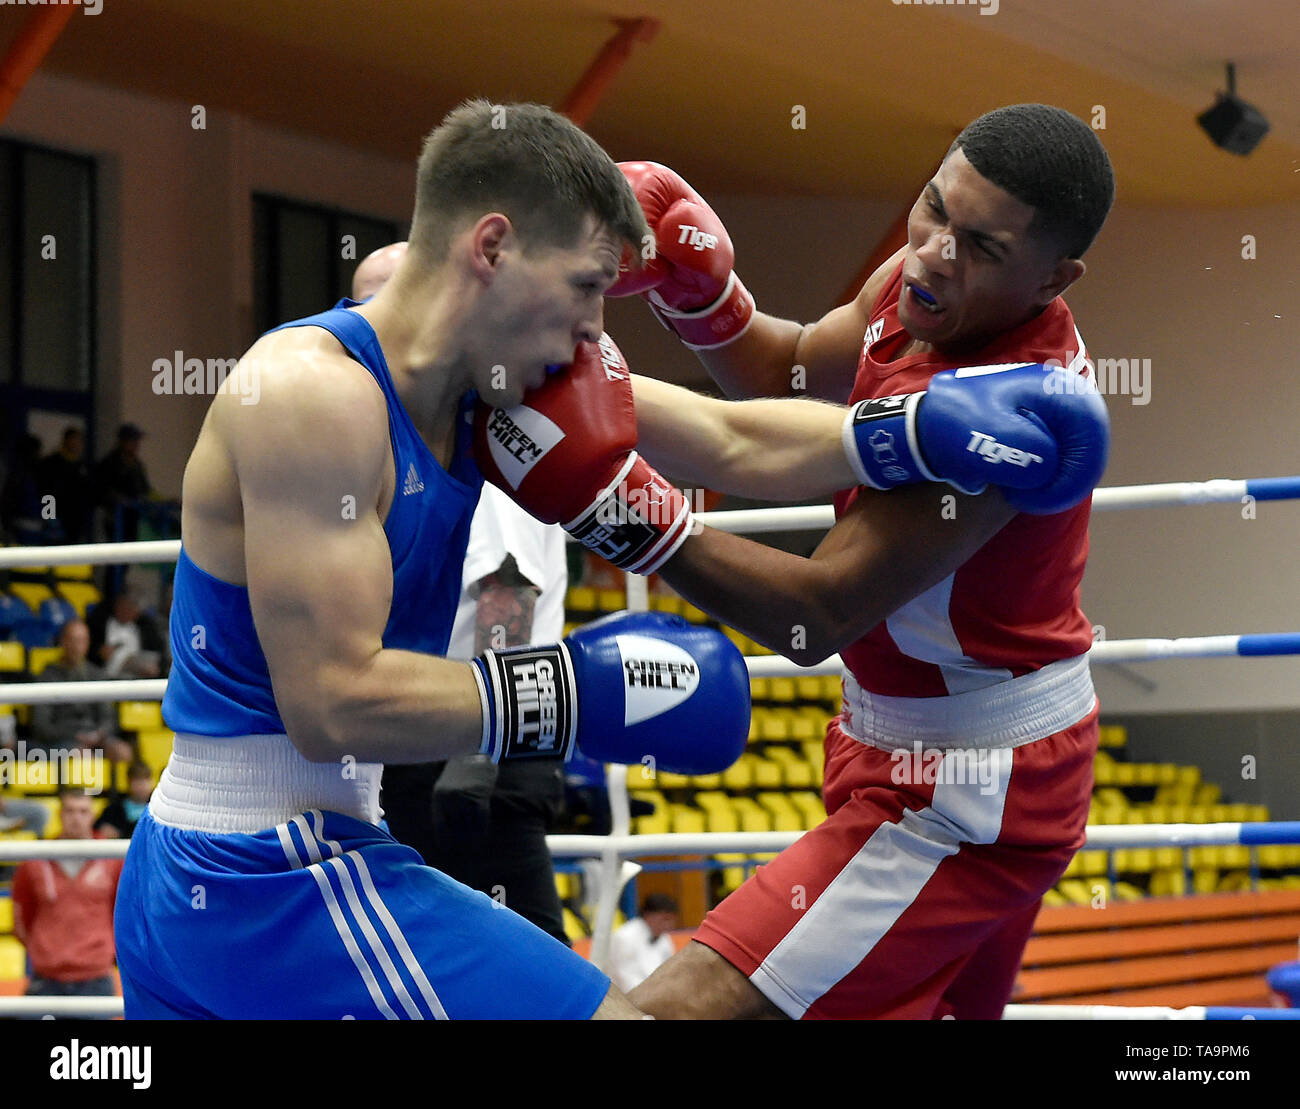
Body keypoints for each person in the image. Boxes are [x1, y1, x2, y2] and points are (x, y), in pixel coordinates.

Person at [113, 98, 1103, 1021]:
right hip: (264, 861)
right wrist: (579, 691)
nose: (595, 330)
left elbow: (732, 438)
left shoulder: (483, 381)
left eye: (979, 243)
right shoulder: (313, 394)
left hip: (259, 855)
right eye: (588, 286)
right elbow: (331, 707)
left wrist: (920, 432)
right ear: (493, 250)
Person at [589, 103, 1116, 1019]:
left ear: (1054, 278)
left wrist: (614, 507)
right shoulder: (918, 280)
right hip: (894, 738)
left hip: (973, 789)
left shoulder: (1013, 418)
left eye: (983, 247)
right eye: (934, 207)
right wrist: (703, 294)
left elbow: (818, 612)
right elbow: (790, 368)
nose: (936, 253)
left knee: (662, 1013)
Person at [356, 242, 576, 945]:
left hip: (471, 740)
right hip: (444, 732)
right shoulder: (411, 427)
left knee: (528, 967)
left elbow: (504, 588)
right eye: (358, 307)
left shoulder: (468, 426)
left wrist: (475, 756)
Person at [12, 789, 124, 1006]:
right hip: (46, 978)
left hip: (96, 977)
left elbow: (122, 914)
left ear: (92, 815)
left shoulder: (112, 858)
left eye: (83, 811)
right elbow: (22, 918)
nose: (76, 818)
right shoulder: (35, 860)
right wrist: (45, 950)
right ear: (60, 814)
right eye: (71, 811)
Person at [31, 618, 133, 765]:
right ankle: (76, 789)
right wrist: (76, 736)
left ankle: (117, 789)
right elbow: (41, 726)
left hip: (96, 736)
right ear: (63, 642)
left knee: (122, 751)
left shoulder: (96, 675)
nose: (77, 647)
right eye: (73, 640)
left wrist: (99, 734)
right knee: (82, 755)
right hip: (62, 739)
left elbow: (108, 717)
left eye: (82, 641)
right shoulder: (47, 677)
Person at [86, 587, 165, 679]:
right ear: (117, 604)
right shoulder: (98, 621)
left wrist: (156, 669)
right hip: (104, 677)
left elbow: (159, 655)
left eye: (131, 609)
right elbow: (88, 649)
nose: (126, 612)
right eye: (123, 606)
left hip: (138, 680)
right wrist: (99, 651)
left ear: (137, 612)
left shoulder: (148, 627)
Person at [608, 894, 680, 993]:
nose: (669, 925)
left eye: (671, 920)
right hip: (623, 999)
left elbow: (669, 972)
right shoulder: (624, 937)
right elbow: (626, 979)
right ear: (648, 916)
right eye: (664, 919)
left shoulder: (665, 939)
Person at [93, 424, 151, 542]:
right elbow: (101, 490)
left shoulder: (137, 465)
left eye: (137, 440)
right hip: (114, 518)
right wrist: (118, 499)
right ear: (123, 441)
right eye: (133, 440)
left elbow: (145, 489)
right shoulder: (109, 463)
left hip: (133, 516)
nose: (136, 445)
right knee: (114, 552)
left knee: (131, 551)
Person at [37, 426, 93, 544]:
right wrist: (49, 517)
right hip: (57, 520)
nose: (77, 444)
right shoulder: (52, 463)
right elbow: (46, 492)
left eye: (80, 441)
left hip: (76, 522)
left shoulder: (83, 466)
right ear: (66, 440)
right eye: (74, 440)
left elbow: (87, 494)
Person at [94, 760, 154, 839]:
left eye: (145, 781)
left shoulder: (159, 808)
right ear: (128, 783)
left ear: (152, 782)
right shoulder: (114, 808)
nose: (141, 787)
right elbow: (99, 826)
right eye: (137, 781)